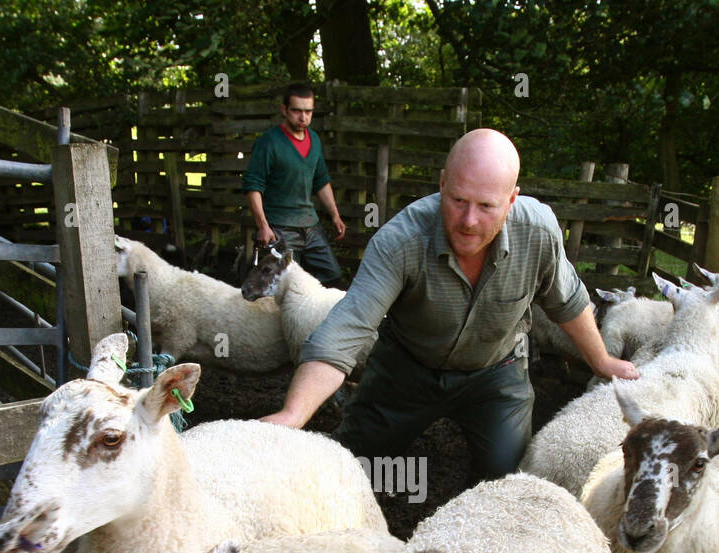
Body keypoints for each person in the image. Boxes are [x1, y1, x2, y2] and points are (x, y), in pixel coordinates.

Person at [260, 128, 639, 478]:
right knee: (355, 463)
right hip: (406, 368)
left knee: (506, 478)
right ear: (442, 183)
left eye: (486, 206)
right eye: (457, 199)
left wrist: (602, 361)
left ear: (511, 200)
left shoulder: (538, 232)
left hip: (496, 372)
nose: (468, 221)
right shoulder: (400, 241)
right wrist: (293, 415)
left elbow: (568, 301)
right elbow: (346, 329)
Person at [243, 83, 346, 286]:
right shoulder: (269, 142)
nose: (303, 117)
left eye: (308, 111)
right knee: (284, 283)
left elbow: (321, 180)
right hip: (281, 227)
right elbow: (253, 186)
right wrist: (263, 226)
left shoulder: (314, 140)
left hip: (310, 225)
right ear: (284, 110)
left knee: (333, 275)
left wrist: (335, 215)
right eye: (297, 110)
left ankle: (310, 314)